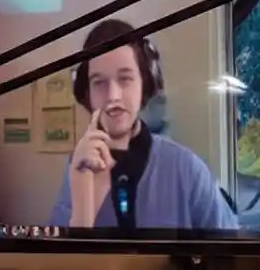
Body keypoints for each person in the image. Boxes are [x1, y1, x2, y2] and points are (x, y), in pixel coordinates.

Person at [48, 19, 239, 231]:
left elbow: (233, 257)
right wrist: (83, 214)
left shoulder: (188, 170)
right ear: (87, 93)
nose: (113, 96)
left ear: (145, 83)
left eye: (125, 79)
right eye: (99, 82)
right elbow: (60, 262)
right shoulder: (78, 168)